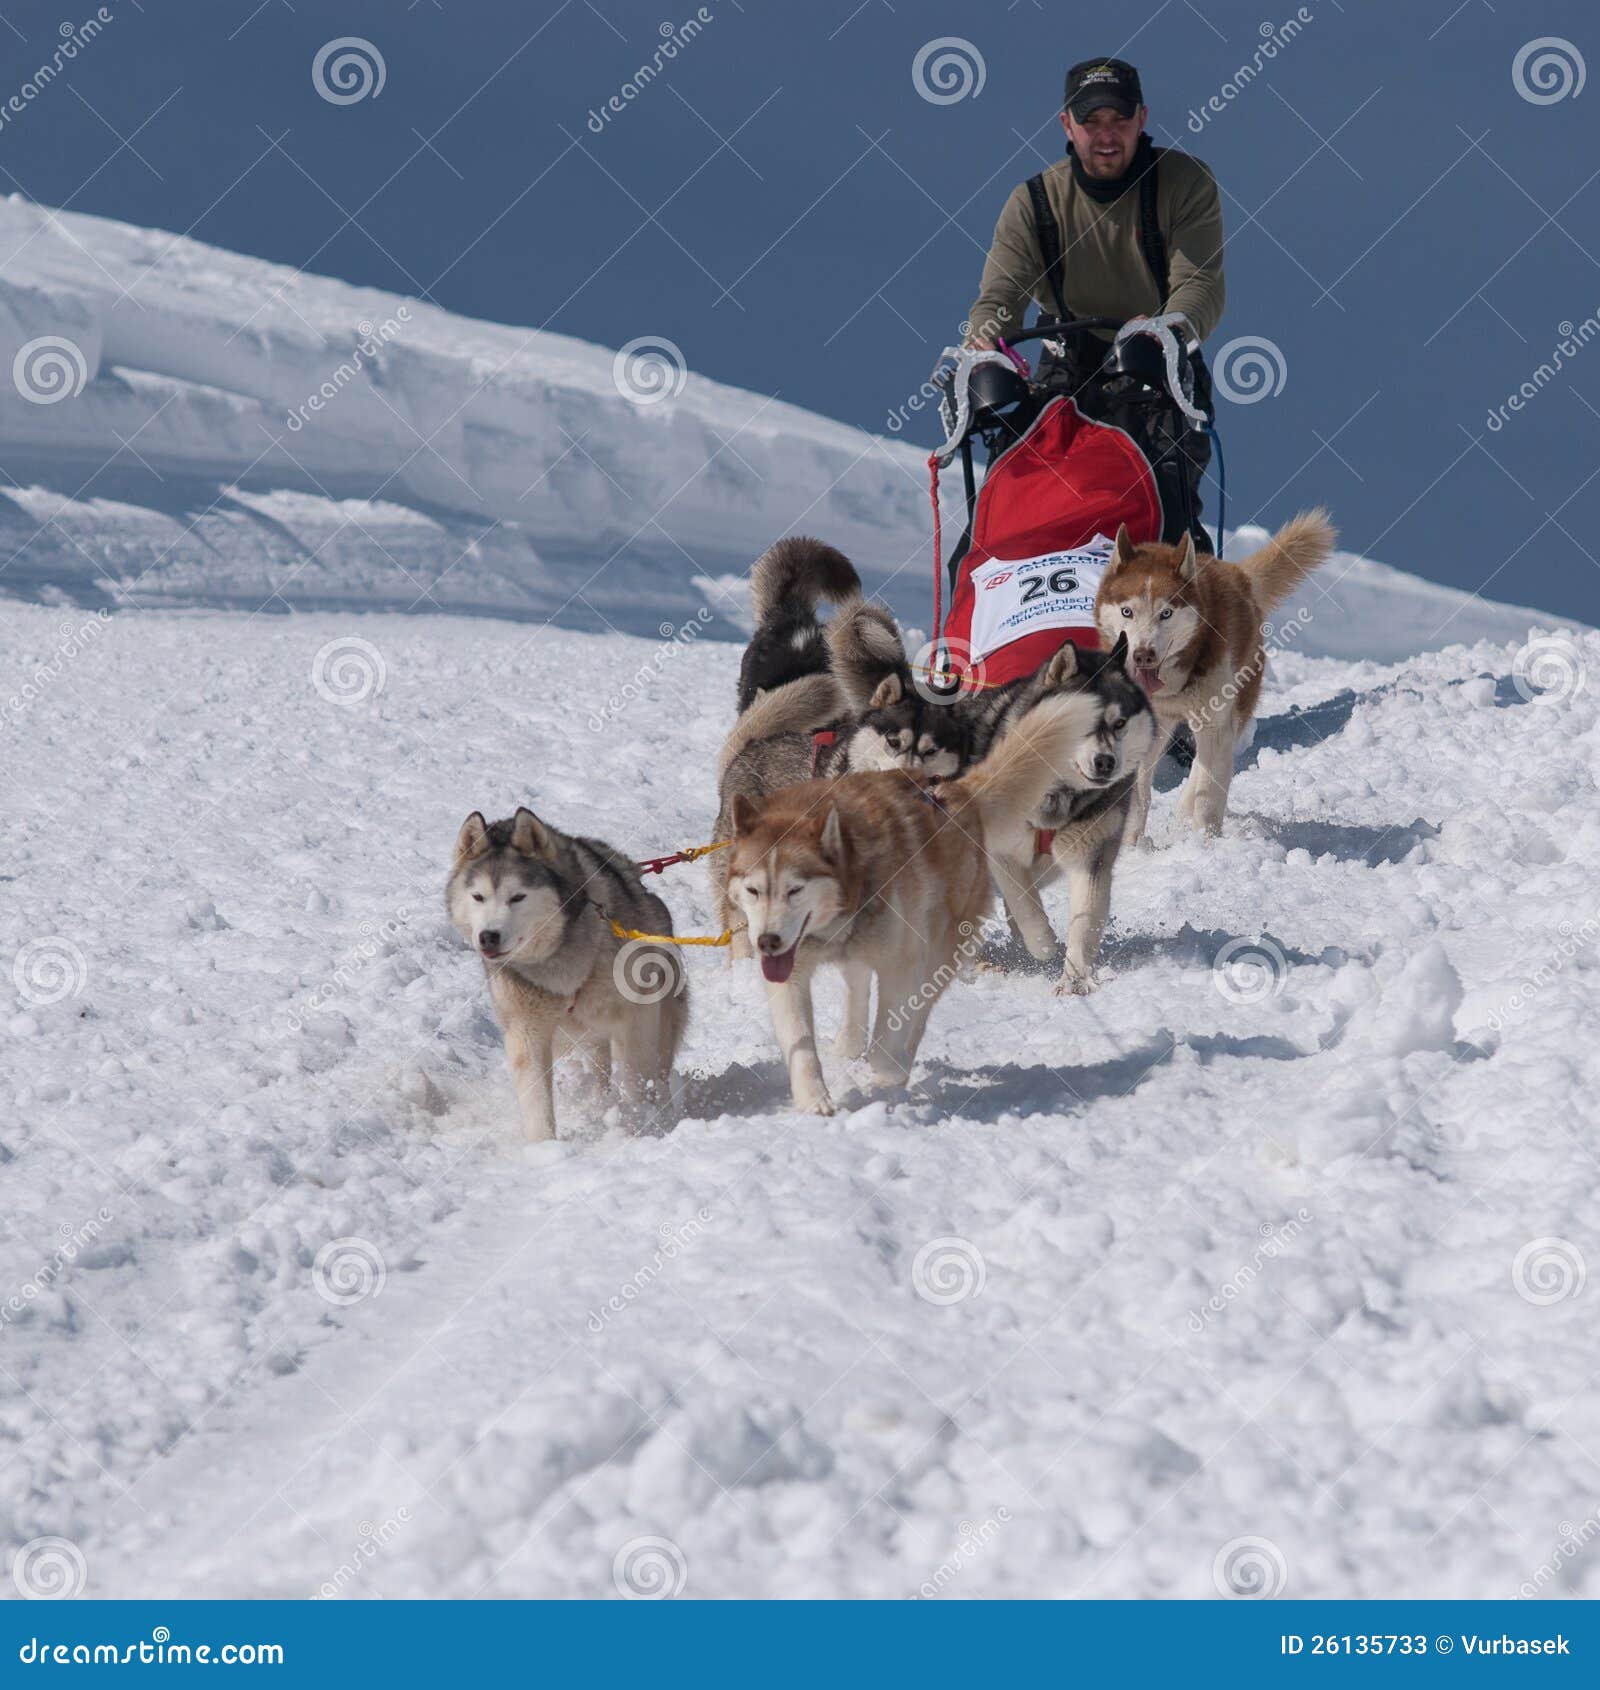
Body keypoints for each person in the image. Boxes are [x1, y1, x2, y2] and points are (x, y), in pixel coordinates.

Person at [965, 58, 1226, 546]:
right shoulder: (1034, 202)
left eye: (1119, 120)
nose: (1107, 135)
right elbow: (1001, 295)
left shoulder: (1185, 183)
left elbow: (1200, 284)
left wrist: (1168, 331)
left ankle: (1192, 615)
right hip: (1064, 372)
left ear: (1142, 119)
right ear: (1067, 124)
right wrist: (984, 345)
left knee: (1166, 528)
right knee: (1009, 520)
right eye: (1091, 120)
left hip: (1159, 373)